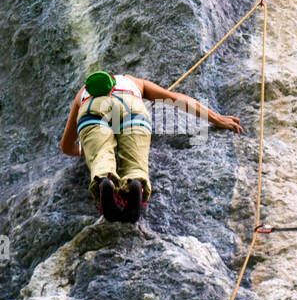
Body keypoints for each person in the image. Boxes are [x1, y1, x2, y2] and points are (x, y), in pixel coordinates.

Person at [60, 70, 244, 222]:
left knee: (100, 157)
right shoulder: (133, 81)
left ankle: (104, 179)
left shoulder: (83, 93)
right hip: (131, 104)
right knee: (136, 161)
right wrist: (217, 119)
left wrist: (87, 149)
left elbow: (66, 146)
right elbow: (176, 98)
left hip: (91, 109)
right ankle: (135, 182)